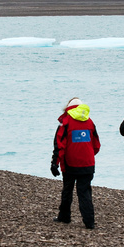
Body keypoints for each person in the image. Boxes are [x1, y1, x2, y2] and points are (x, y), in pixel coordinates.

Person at [50, 98, 100, 229]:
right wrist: (87, 155)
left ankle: (64, 216)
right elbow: (96, 145)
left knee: (67, 190)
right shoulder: (90, 122)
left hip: (70, 163)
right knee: (85, 192)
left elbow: (59, 145)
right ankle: (89, 222)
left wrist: (55, 163)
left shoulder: (65, 122)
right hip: (88, 164)